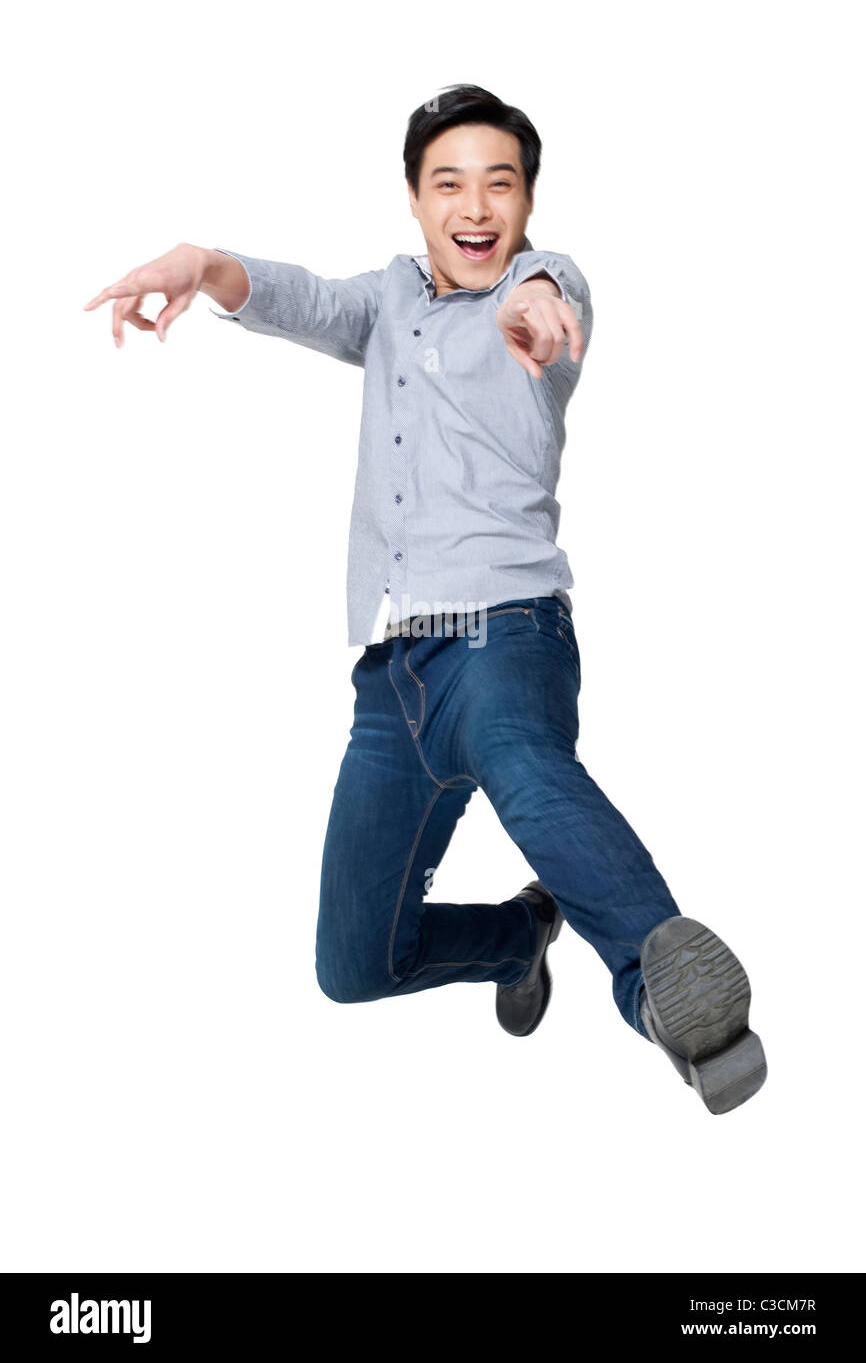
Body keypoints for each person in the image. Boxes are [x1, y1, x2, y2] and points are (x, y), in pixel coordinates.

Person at [84, 83, 767, 1115]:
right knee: (354, 963)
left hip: (505, 638)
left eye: (500, 183)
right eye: (449, 183)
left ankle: (672, 1000)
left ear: (527, 200)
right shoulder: (390, 302)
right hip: (391, 675)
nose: (475, 206)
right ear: (414, 198)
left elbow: (546, 292)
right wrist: (204, 264)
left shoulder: (543, 285)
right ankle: (516, 938)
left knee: (528, 770)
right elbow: (306, 297)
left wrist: (536, 306)